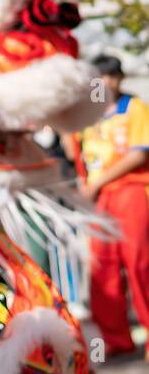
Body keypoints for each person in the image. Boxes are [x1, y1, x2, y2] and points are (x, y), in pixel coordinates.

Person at [75, 55, 149, 356]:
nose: (106, 83)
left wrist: (97, 182)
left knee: (139, 262)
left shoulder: (135, 108)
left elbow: (139, 154)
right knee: (102, 266)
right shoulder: (89, 115)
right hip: (99, 199)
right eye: (100, 78)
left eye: (111, 77)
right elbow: (77, 152)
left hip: (131, 191)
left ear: (119, 79)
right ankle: (116, 339)